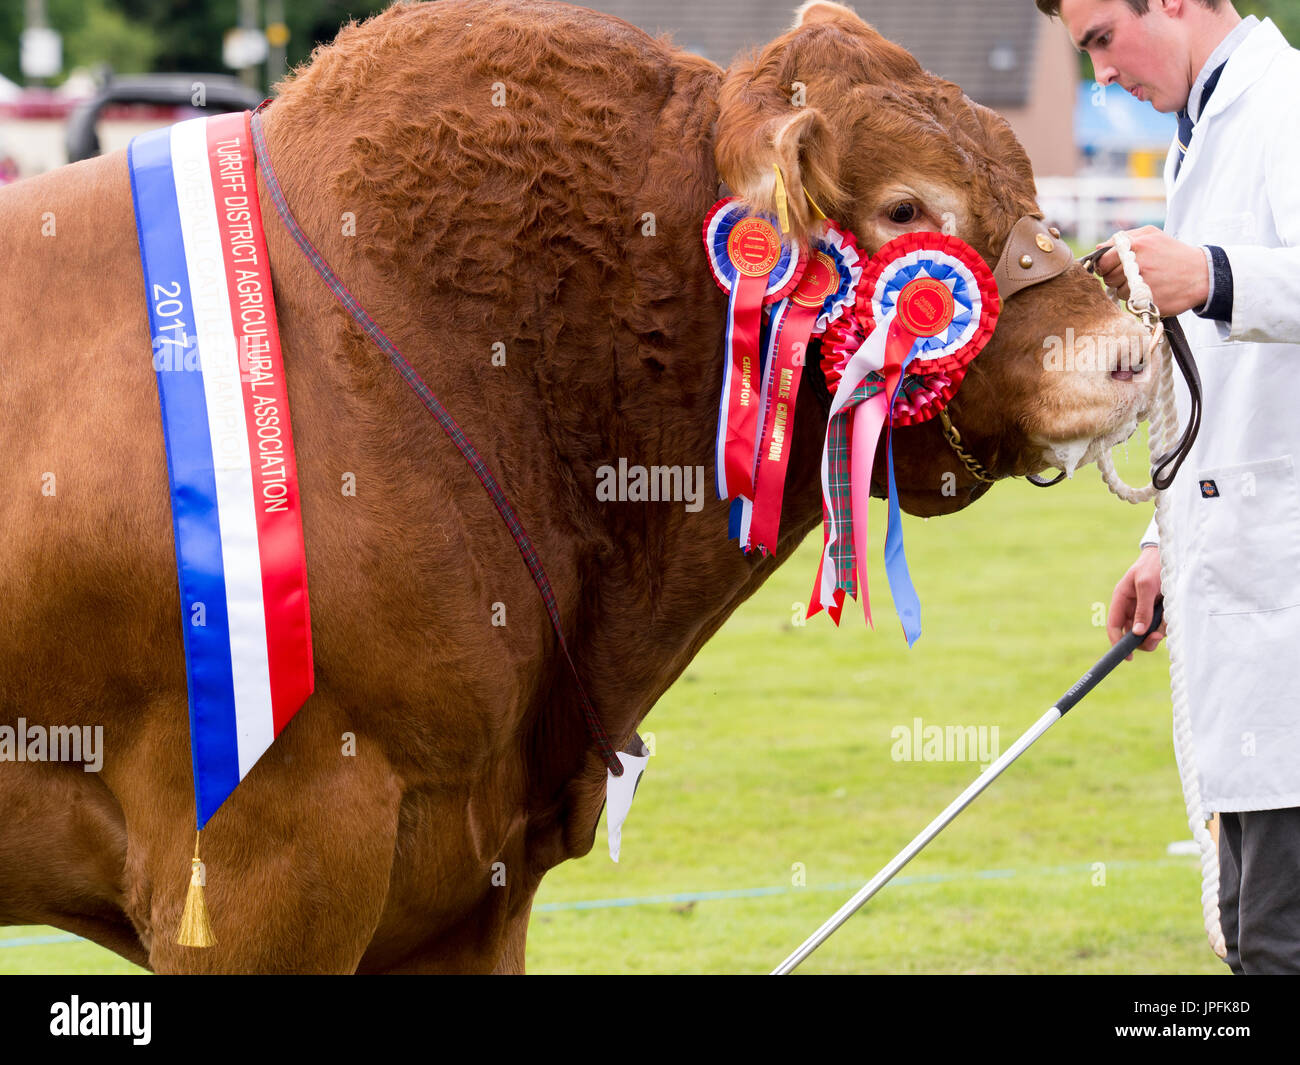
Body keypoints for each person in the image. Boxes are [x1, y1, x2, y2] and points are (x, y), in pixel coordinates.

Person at [1036, 0, 1300, 974]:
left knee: (1274, 943)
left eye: (1103, 37)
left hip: (1285, 615)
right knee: (1250, 932)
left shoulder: (1285, 107)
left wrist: (1214, 275)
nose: (1101, 76)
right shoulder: (1204, 135)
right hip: (1236, 592)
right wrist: (1159, 545)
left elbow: (1242, 291)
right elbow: (1235, 393)